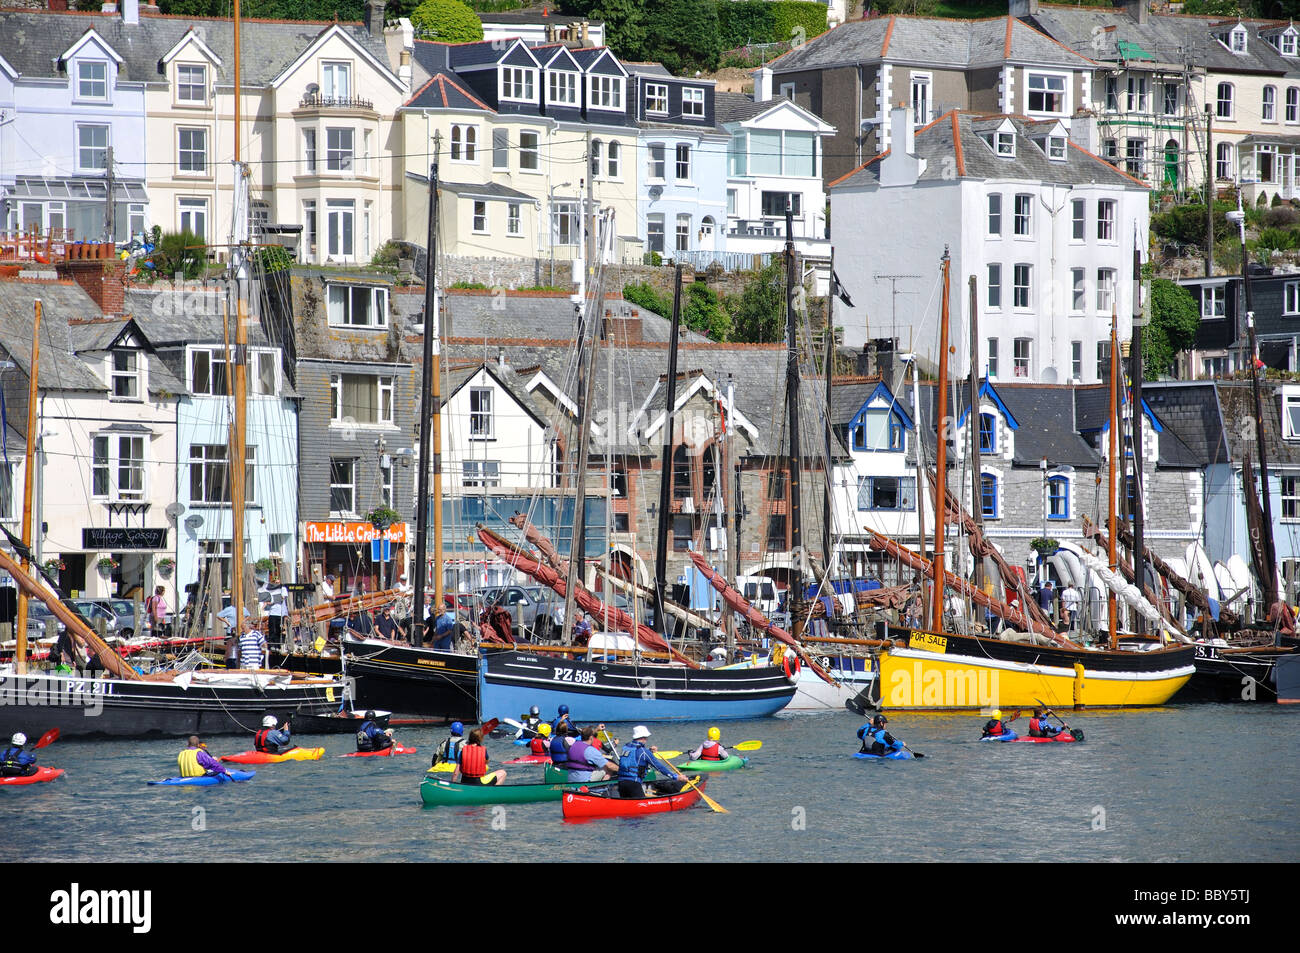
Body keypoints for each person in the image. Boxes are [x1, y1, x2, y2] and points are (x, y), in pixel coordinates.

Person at [616, 726, 683, 798]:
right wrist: (675, 777)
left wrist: (649, 751)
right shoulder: (644, 752)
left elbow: (637, 755)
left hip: (621, 783)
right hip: (634, 784)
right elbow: (659, 767)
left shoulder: (626, 747)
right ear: (643, 737)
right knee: (640, 807)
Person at [259, 578, 289, 649]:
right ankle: (272, 644)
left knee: (278, 629)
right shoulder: (271, 590)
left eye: (278, 582)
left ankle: (278, 645)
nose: (277, 584)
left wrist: (273, 600)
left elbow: (282, 597)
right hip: (272, 612)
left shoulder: (282, 589)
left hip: (280, 612)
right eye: (275, 582)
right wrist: (262, 608)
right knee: (272, 628)